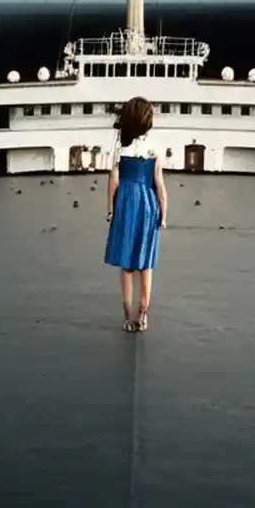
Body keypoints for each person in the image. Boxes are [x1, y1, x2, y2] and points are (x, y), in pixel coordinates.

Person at [104, 97, 167, 333]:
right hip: (149, 205)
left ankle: (126, 317)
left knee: (127, 266)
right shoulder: (153, 151)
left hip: (126, 204)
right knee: (145, 264)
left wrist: (110, 209)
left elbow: (113, 180)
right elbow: (160, 186)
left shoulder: (121, 150)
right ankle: (143, 315)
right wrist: (163, 215)